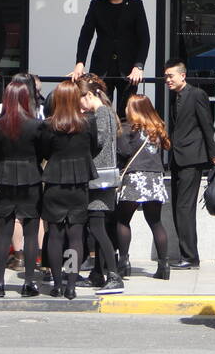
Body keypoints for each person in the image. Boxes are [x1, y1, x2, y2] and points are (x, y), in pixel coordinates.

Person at [38, 80, 101, 299]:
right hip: (79, 181)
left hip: (55, 181)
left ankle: (57, 283)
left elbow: (44, 152)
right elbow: (94, 147)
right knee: (76, 235)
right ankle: (71, 285)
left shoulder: (48, 125)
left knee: (54, 234)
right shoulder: (87, 122)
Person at [0, 81, 45, 297]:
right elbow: (41, 153)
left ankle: (0, 282)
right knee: (31, 233)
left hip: (5, 177)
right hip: (30, 176)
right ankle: (29, 282)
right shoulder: (35, 125)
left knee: (4, 232)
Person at [73, 0, 150, 116]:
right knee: (100, 112)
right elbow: (85, 35)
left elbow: (144, 38)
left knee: (127, 115)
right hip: (101, 68)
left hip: (128, 71)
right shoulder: (96, 5)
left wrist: (138, 66)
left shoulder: (135, 5)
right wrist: (80, 63)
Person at [164, 59, 215, 270]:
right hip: (177, 157)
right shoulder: (174, 96)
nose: (167, 80)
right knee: (179, 206)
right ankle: (186, 254)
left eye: (171, 76)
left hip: (192, 158)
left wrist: (213, 155)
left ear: (182, 75)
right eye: (166, 76)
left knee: (184, 208)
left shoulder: (196, 95)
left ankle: (190, 256)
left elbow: (206, 124)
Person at [115, 94, 171, 279]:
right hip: (155, 178)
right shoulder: (156, 129)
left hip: (135, 178)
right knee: (155, 222)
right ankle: (164, 265)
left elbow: (123, 151)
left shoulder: (129, 128)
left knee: (123, 220)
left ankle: (123, 262)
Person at [79, 74, 124, 294]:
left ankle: (114, 275)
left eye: (80, 98)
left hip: (100, 180)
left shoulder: (102, 113)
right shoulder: (105, 112)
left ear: (88, 95)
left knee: (97, 227)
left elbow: (99, 140)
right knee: (96, 227)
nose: (79, 104)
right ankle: (97, 273)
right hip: (101, 179)